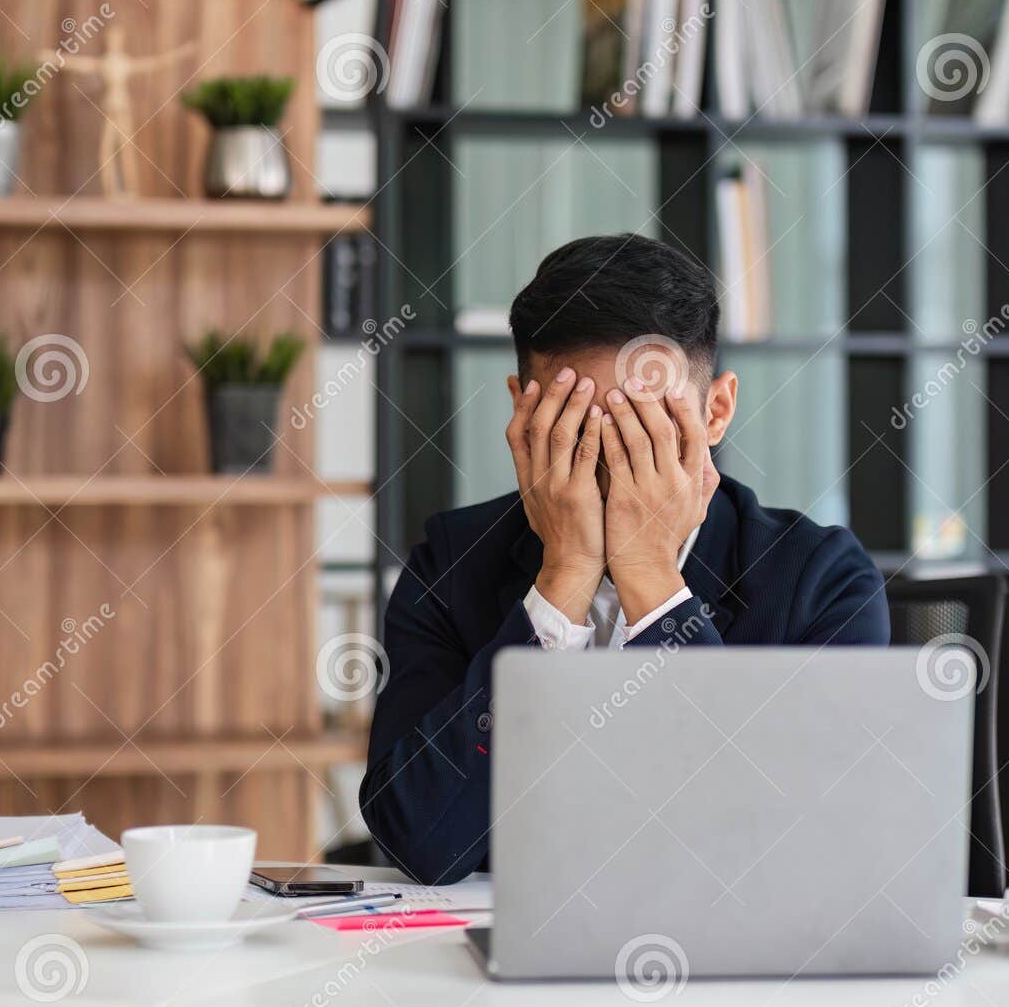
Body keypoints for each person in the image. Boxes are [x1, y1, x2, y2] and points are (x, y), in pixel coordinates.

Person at [361, 234, 889, 884]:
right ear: (524, 415)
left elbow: (794, 850)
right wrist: (562, 580)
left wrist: (652, 579)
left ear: (715, 411)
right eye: (578, 428)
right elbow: (419, 841)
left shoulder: (821, 579)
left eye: (644, 429)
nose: (614, 461)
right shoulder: (450, 561)